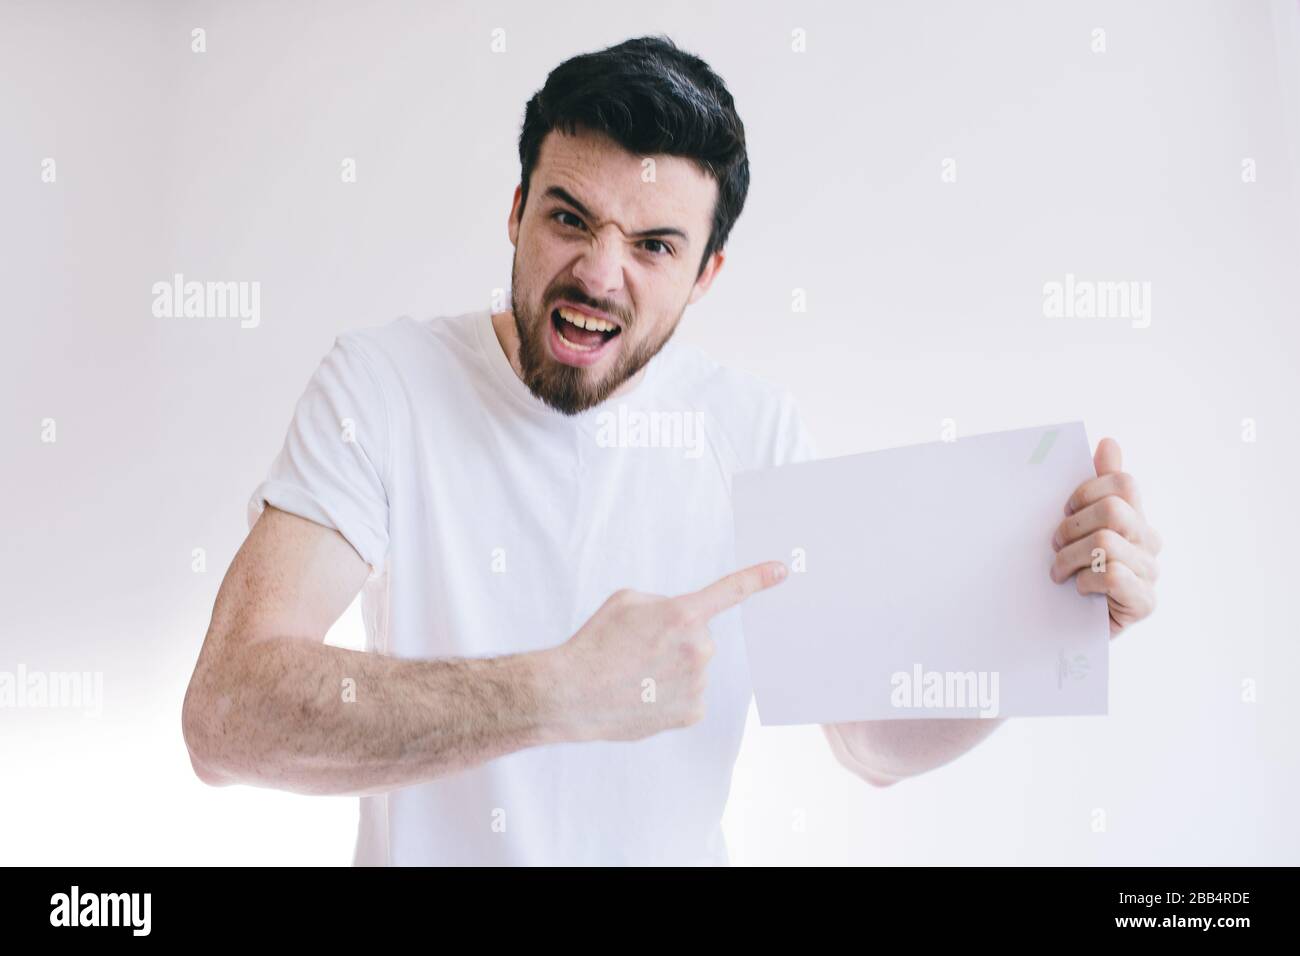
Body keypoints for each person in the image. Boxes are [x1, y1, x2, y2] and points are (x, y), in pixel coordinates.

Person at [180, 35, 1161, 866]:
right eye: (569, 217)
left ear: (704, 276)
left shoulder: (754, 431)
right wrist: (558, 690)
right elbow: (229, 715)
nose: (598, 273)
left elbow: (869, 738)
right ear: (515, 212)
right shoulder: (382, 384)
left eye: (653, 245)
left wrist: (1043, 622)